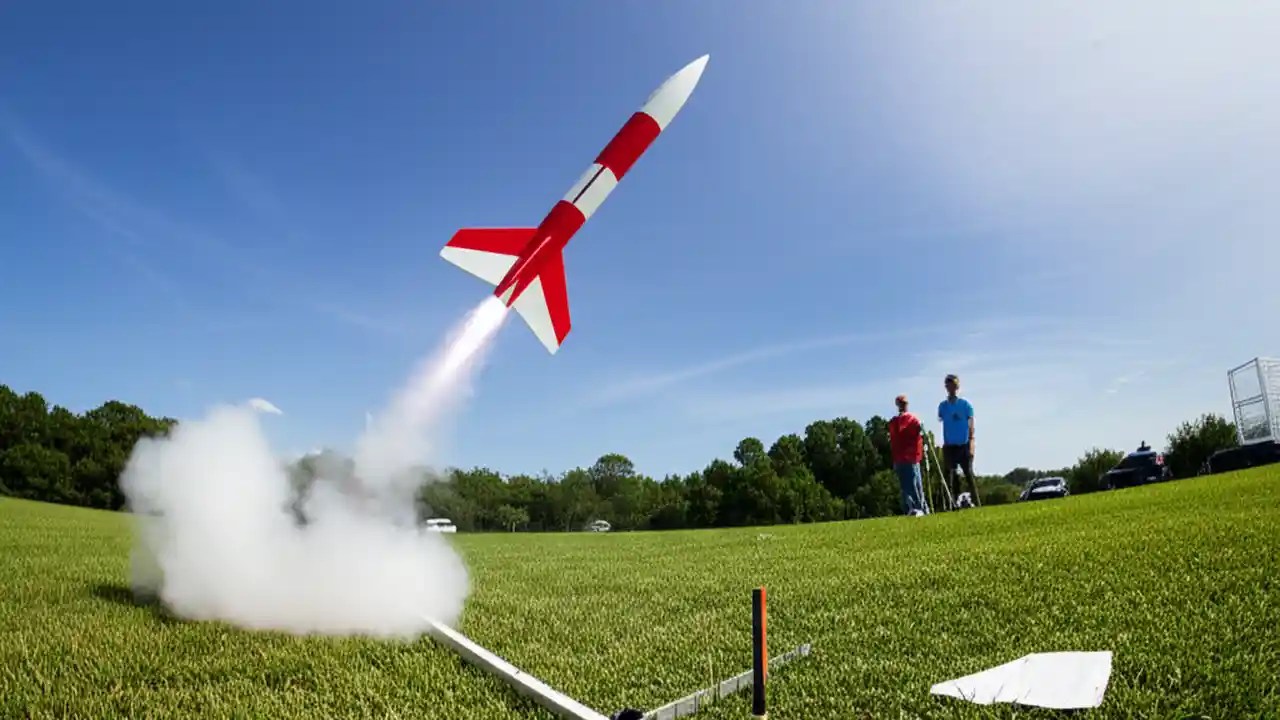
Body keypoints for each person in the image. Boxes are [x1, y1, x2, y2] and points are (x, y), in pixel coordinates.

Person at [938, 374, 980, 508]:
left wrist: (971, 443)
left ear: (958, 387)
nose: (952, 388)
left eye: (954, 386)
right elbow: (942, 419)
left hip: (964, 444)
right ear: (946, 387)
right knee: (950, 477)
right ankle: (951, 505)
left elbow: (971, 425)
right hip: (949, 445)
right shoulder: (943, 406)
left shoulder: (965, 405)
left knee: (969, 475)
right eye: (949, 386)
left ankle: (976, 502)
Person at [888, 394, 928, 516]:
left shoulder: (912, 419)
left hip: (911, 457)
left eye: (904, 403)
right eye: (900, 403)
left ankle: (920, 508)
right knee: (906, 486)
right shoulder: (895, 421)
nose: (902, 406)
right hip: (900, 457)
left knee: (914, 484)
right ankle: (911, 508)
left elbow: (917, 431)